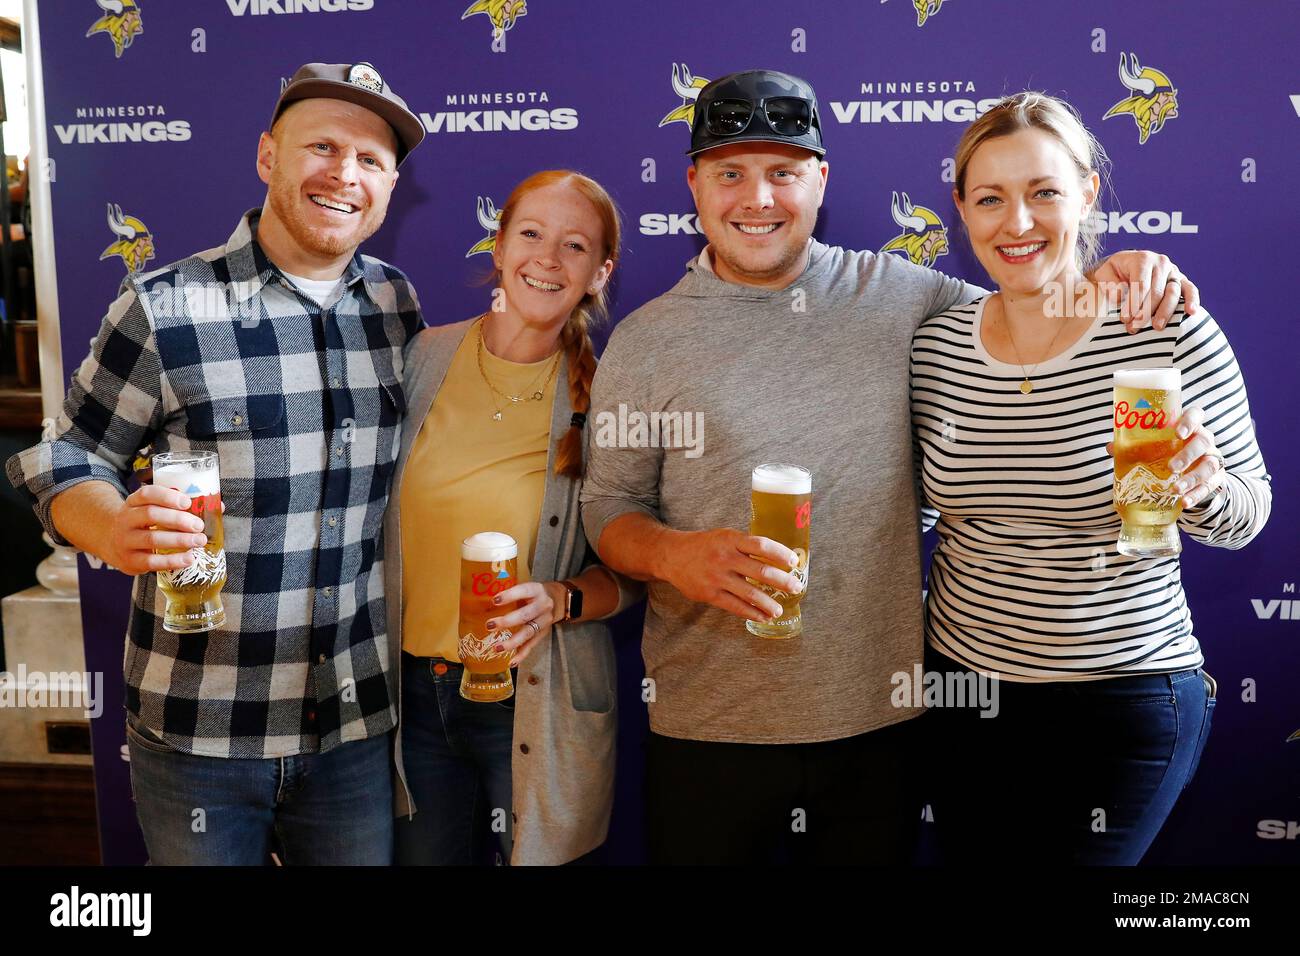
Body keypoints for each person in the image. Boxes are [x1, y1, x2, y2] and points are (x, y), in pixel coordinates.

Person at [579, 69, 1202, 865]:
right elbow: (609, 507)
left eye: (783, 174)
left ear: (821, 181)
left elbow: (1032, 297)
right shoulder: (646, 338)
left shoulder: (907, 298)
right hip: (710, 723)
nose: (757, 199)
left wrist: (1123, 267)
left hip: (887, 727)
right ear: (694, 185)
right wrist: (670, 553)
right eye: (730, 173)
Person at [6, 62, 426, 865]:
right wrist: (109, 525)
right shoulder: (164, 306)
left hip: (355, 724)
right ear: (269, 156)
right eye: (323, 147)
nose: (345, 174)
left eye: (371, 160)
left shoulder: (396, 308)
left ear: (391, 185)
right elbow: (62, 456)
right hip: (199, 730)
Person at [910, 92, 1270, 864]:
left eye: (1044, 191)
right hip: (963, 692)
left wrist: (1202, 491)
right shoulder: (936, 344)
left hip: (1122, 698)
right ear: (961, 211)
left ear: (1087, 193)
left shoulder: (1160, 324)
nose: (1018, 223)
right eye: (991, 198)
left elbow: (1250, 514)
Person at [388, 170, 640, 866]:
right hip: (413, 698)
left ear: (599, 272)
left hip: (535, 699)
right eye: (530, 235)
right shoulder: (420, 358)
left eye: (575, 246)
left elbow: (638, 571)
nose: (548, 259)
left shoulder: (609, 398)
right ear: (497, 248)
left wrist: (559, 599)